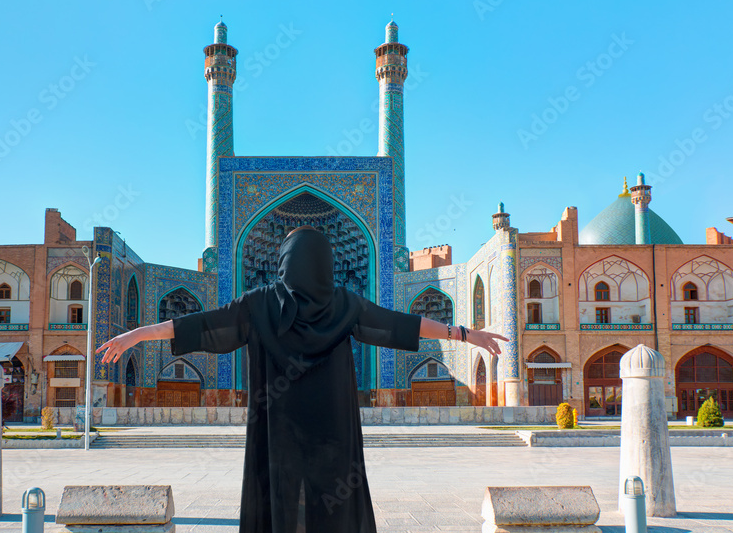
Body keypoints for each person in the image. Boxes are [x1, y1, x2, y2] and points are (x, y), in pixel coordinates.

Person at [98, 226, 508, 533]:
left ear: (285, 262)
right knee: (333, 500)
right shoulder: (345, 304)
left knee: (279, 497)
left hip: (279, 430)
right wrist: (463, 334)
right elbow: (401, 324)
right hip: (334, 430)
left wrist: (138, 333)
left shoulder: (259, 304)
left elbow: (200, 324)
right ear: (324, 263)